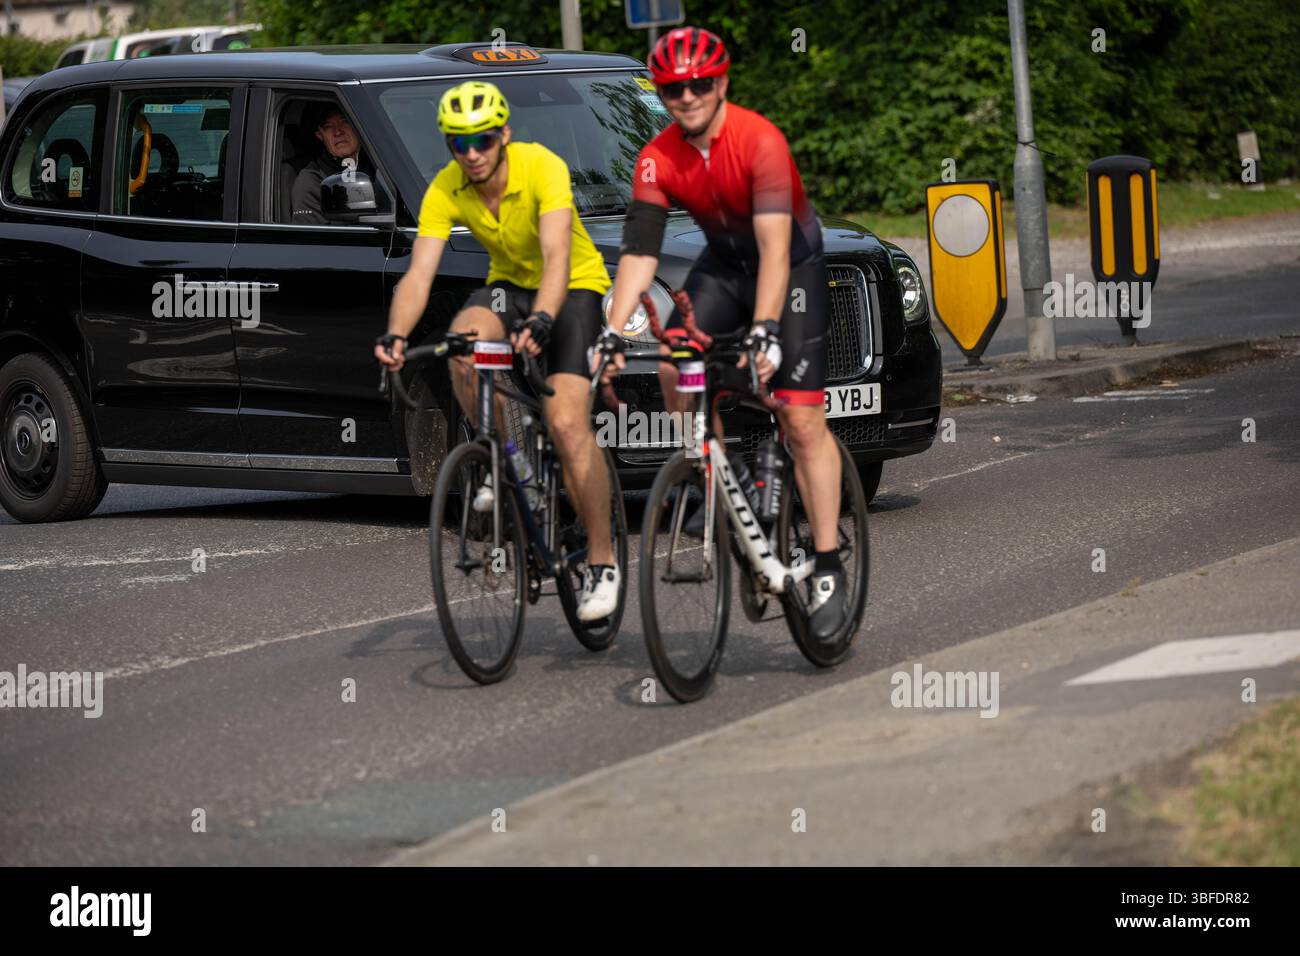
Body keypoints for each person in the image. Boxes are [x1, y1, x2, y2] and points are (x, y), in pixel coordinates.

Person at [600, 26, 846, 641]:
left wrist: (765, 331)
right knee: (672, 363)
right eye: (674, 88)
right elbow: (638, 253)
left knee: (800, 419)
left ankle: (826, 563)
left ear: (721, 83)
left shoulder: (758, 140)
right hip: (724, 269)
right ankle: (714, 478)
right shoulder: (656, 156)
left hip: (790, 268)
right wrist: (608, 333)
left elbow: (774, 247)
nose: (687, 96)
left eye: (699, 84)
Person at [375, 81, 620, 621]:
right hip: (509, 287)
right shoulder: (447, 187)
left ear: (503, 135)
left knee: (566, 422)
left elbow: (557, 254)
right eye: (458, 143)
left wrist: (545, 317)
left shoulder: (542, 167)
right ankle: (502, 458)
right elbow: (419, 274)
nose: (471, 154)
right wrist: (395, 335)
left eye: (481, 141)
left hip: (573, 288)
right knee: (462, 341)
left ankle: (603, 560)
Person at [292, 106, 372, 224]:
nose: (338, 132)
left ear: (358, 127)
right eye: (328, 127)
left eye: (345, 122)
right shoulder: (311, 180)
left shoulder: (379, 165)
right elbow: (311, 240)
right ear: (320, 135)